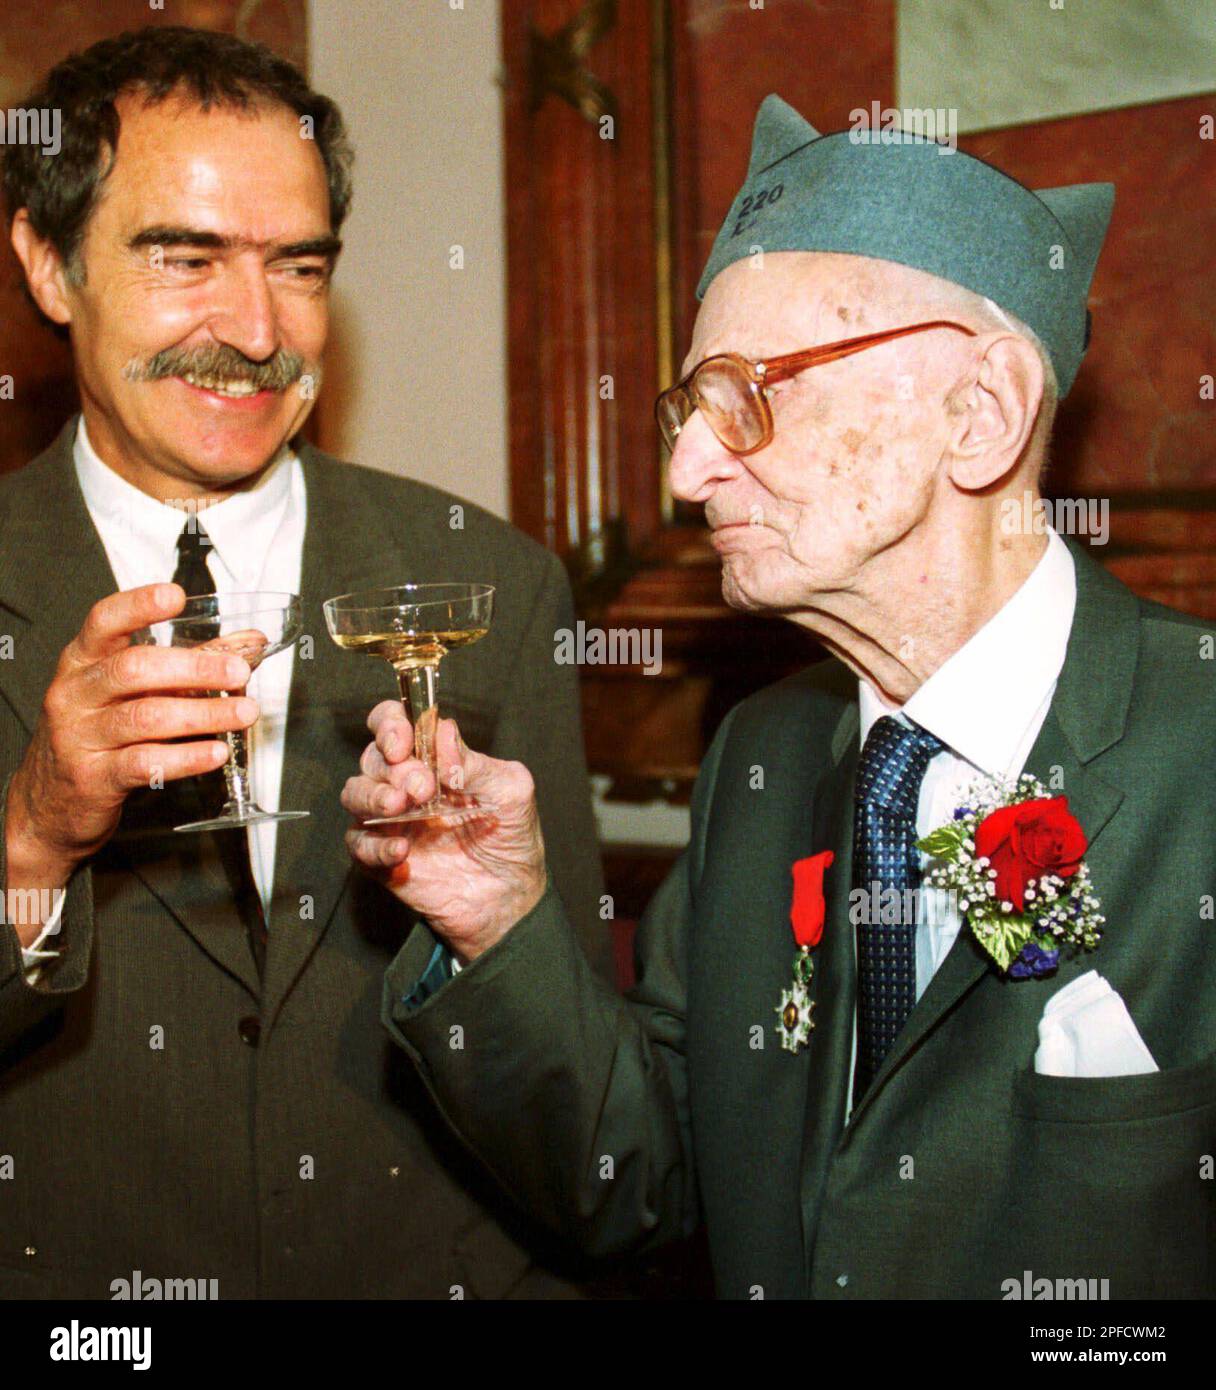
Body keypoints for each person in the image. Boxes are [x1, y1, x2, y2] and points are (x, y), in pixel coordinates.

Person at [350, 96, 1215, 1299]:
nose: (685, 470)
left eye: (748, 394)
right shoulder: (762, 757)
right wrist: (493, 928)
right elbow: (645, 1183)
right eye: (687, 413)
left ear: (982, 414)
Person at [0, 26, 607, 1300]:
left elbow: (584, 1102)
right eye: (185, 258)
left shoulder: (494, 587)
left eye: (300, 264)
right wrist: (32, 843)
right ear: (49, 265)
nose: (258, 329)